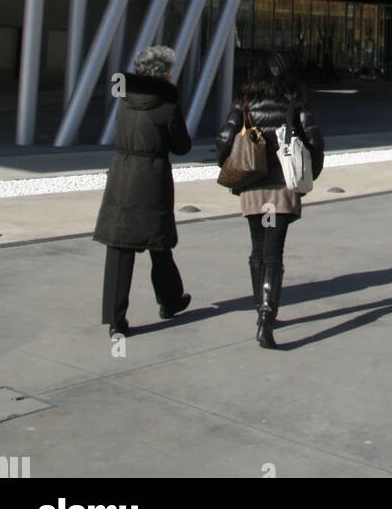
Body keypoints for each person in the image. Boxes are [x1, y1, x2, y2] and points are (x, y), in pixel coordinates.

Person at [215, 50, 324, 349]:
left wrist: (228, 163)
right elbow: (314, 141)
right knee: (274, 253)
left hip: (253, 185)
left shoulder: (245, 100)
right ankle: (267, 314)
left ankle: (258, 309)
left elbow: (224, 139)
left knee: (257, 250)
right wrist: (309, 175)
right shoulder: (293, 98)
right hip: (282, 187)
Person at [93, 45, 192, 337]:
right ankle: (170, 300)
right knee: (158, 242)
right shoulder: (166, 105)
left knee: (120, 246)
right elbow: (182, 146)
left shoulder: (124, 101)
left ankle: (115, 320)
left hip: (122, 175)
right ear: (162, 73)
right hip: (152, 179)